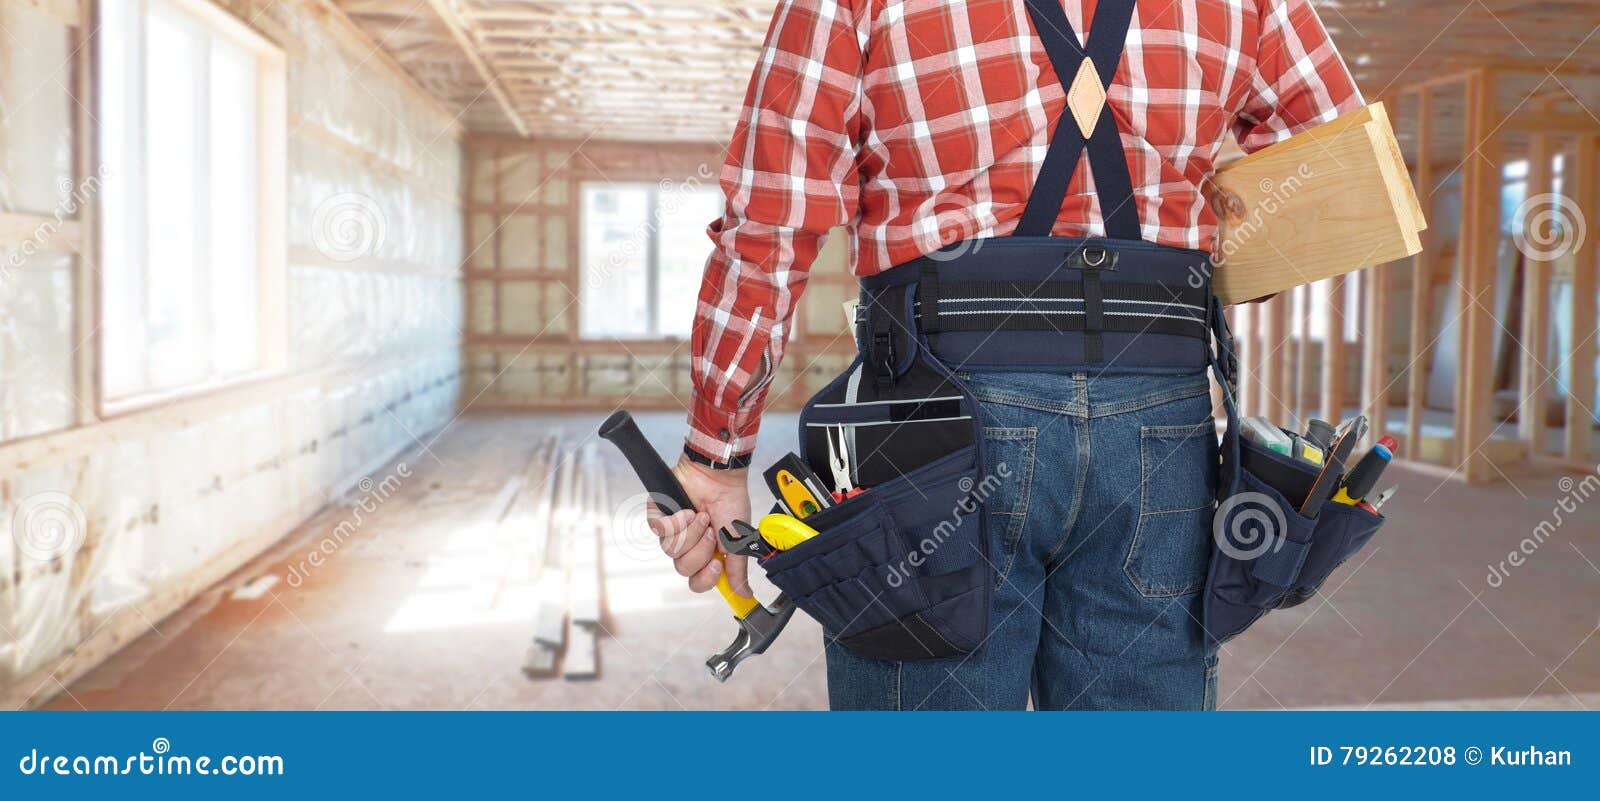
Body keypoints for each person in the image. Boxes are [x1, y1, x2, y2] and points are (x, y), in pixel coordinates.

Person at [649, 0, 1361, 710]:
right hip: (1161, 421)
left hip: (930, 424)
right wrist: (1196, 252)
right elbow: (1339, 165)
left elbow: (771, 221)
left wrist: (718, 452)